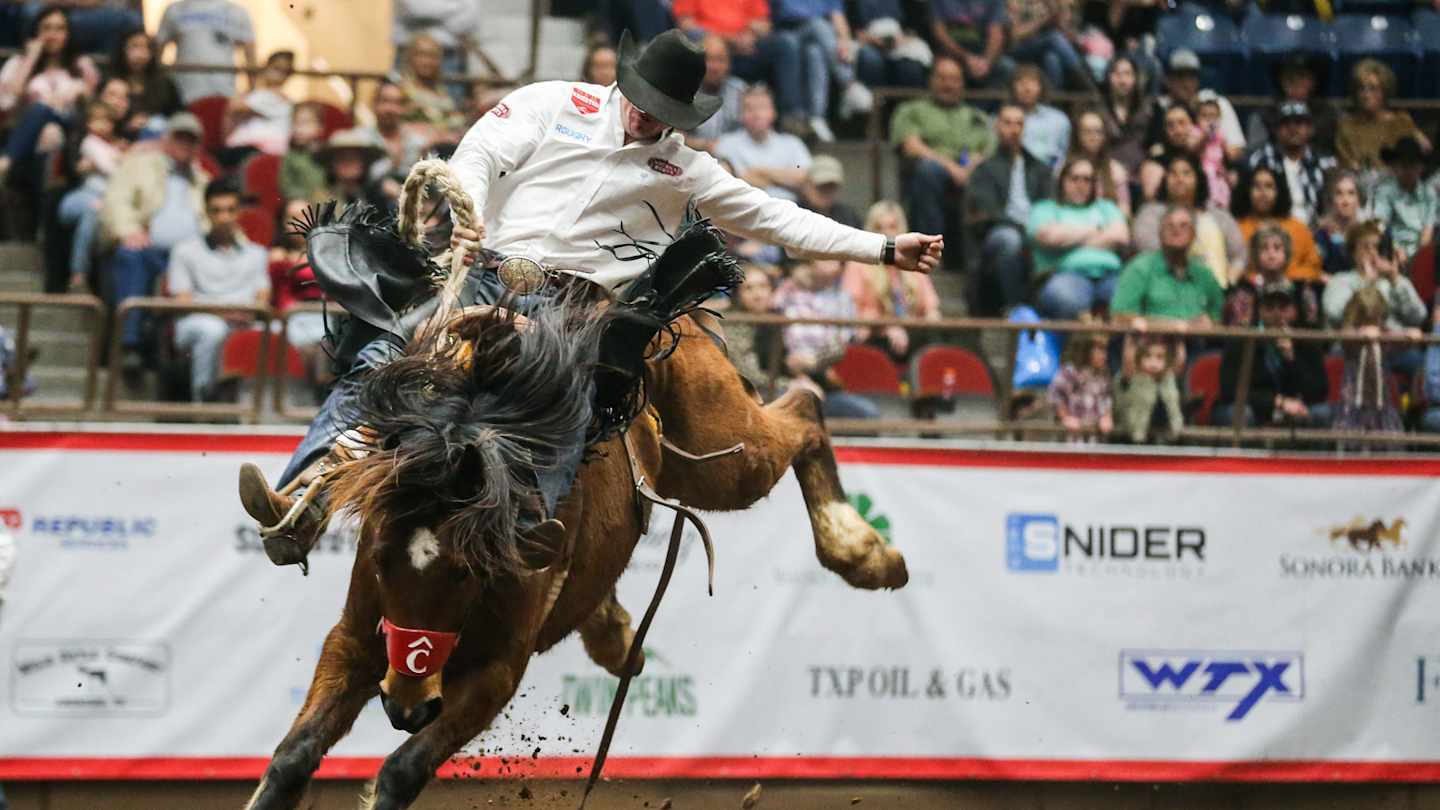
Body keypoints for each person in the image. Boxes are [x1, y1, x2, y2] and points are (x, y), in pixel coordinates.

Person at [238, 29, 944, 565]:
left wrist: (882, 247)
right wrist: (470, 210)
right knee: (392, 350)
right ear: (625, 87)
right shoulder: (553, 103)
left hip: (576, 305)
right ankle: (301, 498)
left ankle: (530, 519)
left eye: (662, 112)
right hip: (486, 265)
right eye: (642, 104)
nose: (646, 119)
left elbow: (774, 217)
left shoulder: (687, 169)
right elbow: (480, 152)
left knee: (572, 386)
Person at [99, 113, 210, 369]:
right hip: (148, 249)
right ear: (166, 140)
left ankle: (181, 359)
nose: (185, 143)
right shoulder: (141, 165)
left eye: (191, 139)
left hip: (190, 256)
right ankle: (130, 344)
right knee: (131, 255)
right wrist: (128, 230)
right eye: (179, 137)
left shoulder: (201, 179)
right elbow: (116, 200)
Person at [165, 180, 270, 401]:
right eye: (217, 211)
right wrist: (224, 314)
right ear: (206, 212)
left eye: (230, 210)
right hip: (197, 319)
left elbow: (262, 297)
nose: (224, 218)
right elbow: (183, 300)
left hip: (244, 319)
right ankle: (203, 400)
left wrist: (244, 314)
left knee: (280, 331)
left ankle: (261, 404)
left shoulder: (257, 253)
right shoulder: (185, 251)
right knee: (212, 330)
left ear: (239, 212)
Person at [889, 55, 995, 241]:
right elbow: (911, 146)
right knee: (929, 170)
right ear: (931, 80)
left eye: (954, 79)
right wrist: (952, 168)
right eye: (942, 78)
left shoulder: (976, 116)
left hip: (971, 172)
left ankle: (977, 256)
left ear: (962, 83)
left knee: (990, 172)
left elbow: (990, 148)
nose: (948, 85)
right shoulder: (911, 110)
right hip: (932, 170)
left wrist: (972, 165)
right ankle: (930, 246)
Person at [672, 0, 806, 134]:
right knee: (710, 47)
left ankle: (791, 118)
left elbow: (764, 25)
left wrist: (751, 34)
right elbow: (687, 25)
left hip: (747, 51)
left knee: (786, 44)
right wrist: (729, 39)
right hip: (707, 46)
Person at [0, 6, 100, 185]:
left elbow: (94, 108)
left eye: (59, 28)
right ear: (36, 32)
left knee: (43, 112)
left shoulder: (82, 66)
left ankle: (6, 162)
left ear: (68, 33)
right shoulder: (17, 63)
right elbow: (6, 102)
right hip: (27, 134)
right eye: (46, 28)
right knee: (49, 131)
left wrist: (80, 93)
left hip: (72, 131)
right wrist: (31, 58)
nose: (53, 34)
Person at [969, 102, 1054, 312]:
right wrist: (1021, 227)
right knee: (1010, 239)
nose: (1013, 129)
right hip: (998, 232)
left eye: (1019, 124)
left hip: (1036, 229)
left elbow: (1050, 205)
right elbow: (987, 211)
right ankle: (1015, 308)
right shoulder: (984, 169)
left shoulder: (1040, 168)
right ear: (997, 127)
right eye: (1007, 123)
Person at [1216, 279, 1330, 428]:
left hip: (1296, 409)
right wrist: (1277, 402)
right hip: (1255, 408)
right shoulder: (1242, 341)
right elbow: (1229, 390)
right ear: (1260, 311)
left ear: (1295, 311)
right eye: (1269, 307)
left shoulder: (1306, 340)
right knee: (1240, 413)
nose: (1277, 314)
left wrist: (1292, 359)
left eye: (1283, 307)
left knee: (1322, 412)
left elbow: (1319, 391)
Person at [1027, 156, 1129, 320]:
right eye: (1074, 179)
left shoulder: (1106, 207)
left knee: (1129, 300)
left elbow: (1121, 236)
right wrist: (1097, 230)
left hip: (1110, 275)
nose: (1081, 185)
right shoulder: (1045, 208)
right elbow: (1049, 237)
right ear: (1062, 181)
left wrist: (1070, 239)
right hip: (1064, 275)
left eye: (1087, 180)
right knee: (1067, 300)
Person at [775, 258, 879, 418]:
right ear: (809, 264)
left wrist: (813, 363)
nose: (836, 265)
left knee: (868, 414)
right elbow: (776, 351)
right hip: (785, 381)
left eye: (838, 261)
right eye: (827, 260)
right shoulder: (784, 296)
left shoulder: (839, 299)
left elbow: (840, 345)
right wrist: (794, 375)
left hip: (822, 379)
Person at [843, 201, 941, 361]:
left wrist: (931, 321)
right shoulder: (858, 264)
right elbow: (851, 311)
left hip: (913, 335)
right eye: (879, 227)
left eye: (892, 226)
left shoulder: (913, 261)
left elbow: (931, 307)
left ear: (902, 229)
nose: (886, 233)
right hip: (874, 338)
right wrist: (886, 327)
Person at [1132, 152, 1244, 289]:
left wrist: (1229, 285)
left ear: (1198, 179)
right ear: (1165, 180)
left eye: (1186, 173)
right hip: (1164, 287)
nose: (1179, 179)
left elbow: (1239, 256)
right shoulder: (1151, 213)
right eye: (1173, 174)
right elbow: (1148, 250)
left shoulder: (1217, 214)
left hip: (1218, 290)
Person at [1111, 205, 1224, 329]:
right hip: (1151, 343)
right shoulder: (1140, 268)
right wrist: (1175, 326)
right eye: (1170, 226)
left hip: (1197, 345)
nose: (1176, 230)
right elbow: (1120, 317)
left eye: (1184, 226)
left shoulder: (1205, 275)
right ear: (1160, 233)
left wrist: (1210, 323)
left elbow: (1217, 318)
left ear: (1194, 235)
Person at [58, 99, 127, 291]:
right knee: (93, 210)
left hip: (105, 200)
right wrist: (119, 158)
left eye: (108, 121)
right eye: (99, 121)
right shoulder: (90, 143)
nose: (104, 126)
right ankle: (78, 272)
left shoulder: (113, 147)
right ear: (89, 123)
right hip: (83, 196)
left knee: (96, 215)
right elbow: (111, 170)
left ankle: (90, 278)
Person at [770, 0, 862, 142]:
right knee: (818, 26)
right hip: (787, 32)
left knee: (815, 53)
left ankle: (817, 117)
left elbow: (837, 15)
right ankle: (848, 83)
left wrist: (844, 40)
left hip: (818, 38)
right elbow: (783, 14)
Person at [1322, 221, 1425, 336]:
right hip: (1350, 346)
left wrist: (1395, 279)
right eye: (1366, 247)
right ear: (1353, 252)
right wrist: (1366, 284)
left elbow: (1418, 317)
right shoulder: (1340, 281)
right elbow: (1335, 313)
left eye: (1377, 247)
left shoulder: (1392, 282)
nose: (1372, 252)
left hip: (1392, 346)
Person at [1246, 100, 1336, 227]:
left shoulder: (1326, 164)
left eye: (1299, 123)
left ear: (1310, 129)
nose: (1292, 129)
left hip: (1316, 231)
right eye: (1286, 123)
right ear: (1276, 130)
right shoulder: (1259, 160)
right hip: (1271, 228)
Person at [715, 84, 812, 203]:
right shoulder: (727, 143)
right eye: (749, 108)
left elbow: (802, 179)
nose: (757, 114)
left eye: (762, 107)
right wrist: (782, 179)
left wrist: (760, 172)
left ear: (774, 112)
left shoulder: (792, 143)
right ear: (740, 115)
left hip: (788, 212)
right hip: (745, 211)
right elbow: (728, 185)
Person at [1336, 59, 1430, 177]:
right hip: (1358, 185)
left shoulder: (1401, 122)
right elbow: (1344, 163)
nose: (1366, 95)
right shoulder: (1346, 126)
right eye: (1361, 88)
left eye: (1373, 88)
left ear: (1385, 91)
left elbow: (1421, 152)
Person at [1231, 165, 1323, 284]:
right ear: (1247, 191)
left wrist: (1284, 278)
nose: (1263, 193)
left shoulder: (1298, 228)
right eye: (1257, 186)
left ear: (1279, 191)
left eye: (1269, 186)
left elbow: (1314, 268)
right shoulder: (1238, 228)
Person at [155, 0, 257, 104]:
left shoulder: (236, 12)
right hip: (184, 93)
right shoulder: (174, 10)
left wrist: (252, 92)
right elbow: (156, 55)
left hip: (224, 91)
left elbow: (251, 56)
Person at [1334, 285, 1403, 436]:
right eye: (1365, 320)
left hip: (1381, 402)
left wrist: (1410, 334)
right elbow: (1345, 336)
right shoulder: (1349, 336)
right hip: (1353, 402)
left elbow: (1401, 337)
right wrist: (1362, 333)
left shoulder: (1383, 333)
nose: (1372, 325)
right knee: (1352, 439)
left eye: (1375, 319)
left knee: (1386, 438)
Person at [1225, 224, 1321, 329]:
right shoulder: (1245, 292)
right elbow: (1237, 331)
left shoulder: (1302, 290)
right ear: (1255, 255)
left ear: (1286, 253)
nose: (1271, 254)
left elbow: (1313, 330)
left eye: (1277, 248)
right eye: (1264, 248)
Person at [1244, 54, 1338, 157]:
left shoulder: (1330, 116)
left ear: (1313, 81)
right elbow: (1255, 155)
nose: (1295, 82)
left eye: (1302, 76)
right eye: (1290, 77)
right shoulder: (1264, 116)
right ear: (1281, 82)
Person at [1154, 49, 1243, 157]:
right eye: (1180, 76)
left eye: (1191, 76)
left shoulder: (1217, 103)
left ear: (1198, 79)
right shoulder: (1161, 106)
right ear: (1169, 80)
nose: (1185, 83)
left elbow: (1236, 150)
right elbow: (1155, 149)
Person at [391, 0, 481, 100]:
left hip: (451, 56)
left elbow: (469, 19)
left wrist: (432, 14)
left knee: (452, 105)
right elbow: (417, 8)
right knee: (403, 100)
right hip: (411, 53)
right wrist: (457, 7)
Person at [221, 50, 295, 163]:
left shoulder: (275, 98)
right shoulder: (258, 94)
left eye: (284, 71)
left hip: (261, 151)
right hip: (243, 148)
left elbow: (236, 107)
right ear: (266, 68)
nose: (278, 74)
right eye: (276, 68)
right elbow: (233, 110)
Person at [1371, 136, 1436, 260]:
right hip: (1393, 250)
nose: (1409, 170)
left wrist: (1420, 257)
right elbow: (1379, 224)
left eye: (1413, 165)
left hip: (1422, 250)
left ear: (1421, 167)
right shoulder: (1385, 192)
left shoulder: (1429, 193)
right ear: (1395, 167)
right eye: (1404, 165)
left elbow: (1428, 231)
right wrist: (1394, 248)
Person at [105, 28, 181, 130]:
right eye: (134, 46)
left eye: (147, 48)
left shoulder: (164, 83)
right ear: (123, 49)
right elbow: (100, 114)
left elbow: (177, 114)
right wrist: (127, 125)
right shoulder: (111, 81)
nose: (141, 54)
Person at [1005, 0, 1090, 91]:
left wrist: (1059, 11)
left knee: (1051, 58)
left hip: (1043, 48)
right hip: (1017, 48)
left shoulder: (1048, 3)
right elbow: (1015, 34)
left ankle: (1054, 100)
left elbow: (1065, 32)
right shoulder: (1016, 2)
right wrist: (1040, 22)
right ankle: (1087, 85)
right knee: (1053, 37)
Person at [1114, 333, 1183, 443]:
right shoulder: (1134, 375)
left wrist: (1179, 339)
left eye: (1160, 357)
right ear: (1139, 357)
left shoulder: (1168, 377)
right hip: (1135, 435)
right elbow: (1128, 360)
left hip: (1165, 434)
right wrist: (1132, 336)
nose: (1153, 363)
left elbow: (1179, 362)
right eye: (1147, 356)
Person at [684, 36, 747, 154]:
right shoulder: (683, 90)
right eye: (709, 59)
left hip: (735, 157)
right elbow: (673, 136)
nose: (715, 67)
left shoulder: (741, 91)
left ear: (729, 64)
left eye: (720, 60)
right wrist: (705, 146)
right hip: (693, 156)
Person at [850, 0, 930, 94]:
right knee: (871, 60)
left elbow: (913, 28)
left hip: (901, 41)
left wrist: (902, 38)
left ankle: (907, 104)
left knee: (911, 67)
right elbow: (853, 30)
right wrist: (873, 40)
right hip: (867, 41)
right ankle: (877, 103)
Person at [1048, 331, 1113, 442]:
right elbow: (1056, 397)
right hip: (1071, 434)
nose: (1104, 356)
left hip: (1093, 434)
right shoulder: (1068, 373)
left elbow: (1106, 399)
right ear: (1086, 350)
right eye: (1100, 351)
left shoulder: (1102, 374)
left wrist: (1107, 417)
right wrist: (1065, 417)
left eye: (1105, 351)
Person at [361, 79, 431, 182]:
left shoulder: (419, 143)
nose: (390, 109)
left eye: (397, 103)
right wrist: (392, 163)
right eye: (385, 101)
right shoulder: (360, 140)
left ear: (405, 108)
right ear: (374, 104)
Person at [930, 0, 1009, 89]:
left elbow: (996, 33)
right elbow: (939, 33)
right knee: (945, 70)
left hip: (982, 51)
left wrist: (987, 61)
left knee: (1007, 68)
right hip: (950, 51)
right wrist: (966, 57)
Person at [1099, 54, 1155, 176]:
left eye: (1128, 74)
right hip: (1106, 172)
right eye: (1117, 74)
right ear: (1108, 77)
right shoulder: (1098, 110)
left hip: (1139, 173)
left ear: (1136, 78)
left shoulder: (1148, 111)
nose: (1122, 80)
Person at [397, 33, 463, 137]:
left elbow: (456, 123)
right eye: (421, 55)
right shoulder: (399, 89)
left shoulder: (443, 93)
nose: (427, 62)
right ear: (410, 57)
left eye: (433, 56)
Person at [1069, 106, 1130, 216]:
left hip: (1107, 229)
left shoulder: (1116, 171)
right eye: (1087, 131)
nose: (1093, 137)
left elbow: (1124, 214)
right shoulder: (1064, 169)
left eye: (1098, 132)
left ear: (1105, 136)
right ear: (1077, 135)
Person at [1010, 64, 1070, 169]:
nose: (1027, 88)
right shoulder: (1001, 120)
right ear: (1013, 88)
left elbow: (1066, 155)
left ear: (1040, 87)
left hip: (1051, 176)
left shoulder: (1059, 119)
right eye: (1021, 83)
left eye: (1032, 82)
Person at [1313, 169, 1368, 280]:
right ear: (1331, 200)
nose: (1345, 201)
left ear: (1359, 199)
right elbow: (1313, 270)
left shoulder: (1367, 232)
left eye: (1351, 193)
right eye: (1339, 194)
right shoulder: (1322, 235)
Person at [279, 102, 328, 203]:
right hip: (303, 204)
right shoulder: (291, 157)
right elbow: (287, 186)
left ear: (320, 127)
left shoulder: (326, 153)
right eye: (295, 123)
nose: (298, 129)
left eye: (305, 123)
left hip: (327, 202)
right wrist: (305, 197)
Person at [797, 155, 860, 228]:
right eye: (821, 187)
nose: (826, 192)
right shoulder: (793, 214)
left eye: (831, 186)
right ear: (807, 185)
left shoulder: (848, 216)